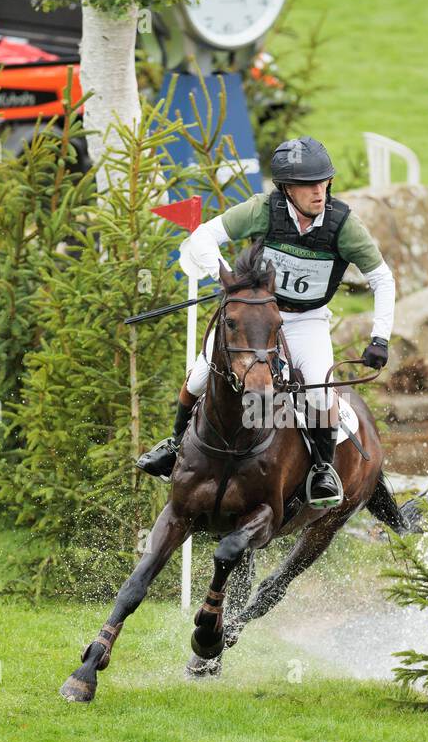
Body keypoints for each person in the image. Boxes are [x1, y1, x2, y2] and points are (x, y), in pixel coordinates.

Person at [137, 135, 395, 509]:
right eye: (308, 185)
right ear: (287, 189)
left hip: (306, 320)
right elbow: (204, 236)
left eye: (323, 182)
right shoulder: (262, 210)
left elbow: (382, 279)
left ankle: (323, 469)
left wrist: (380, 337)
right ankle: (174, 446)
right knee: (199, 375)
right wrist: (228, 279)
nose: (319, 192)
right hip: (255, 318)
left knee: (319, 393)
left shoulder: (344, 226)